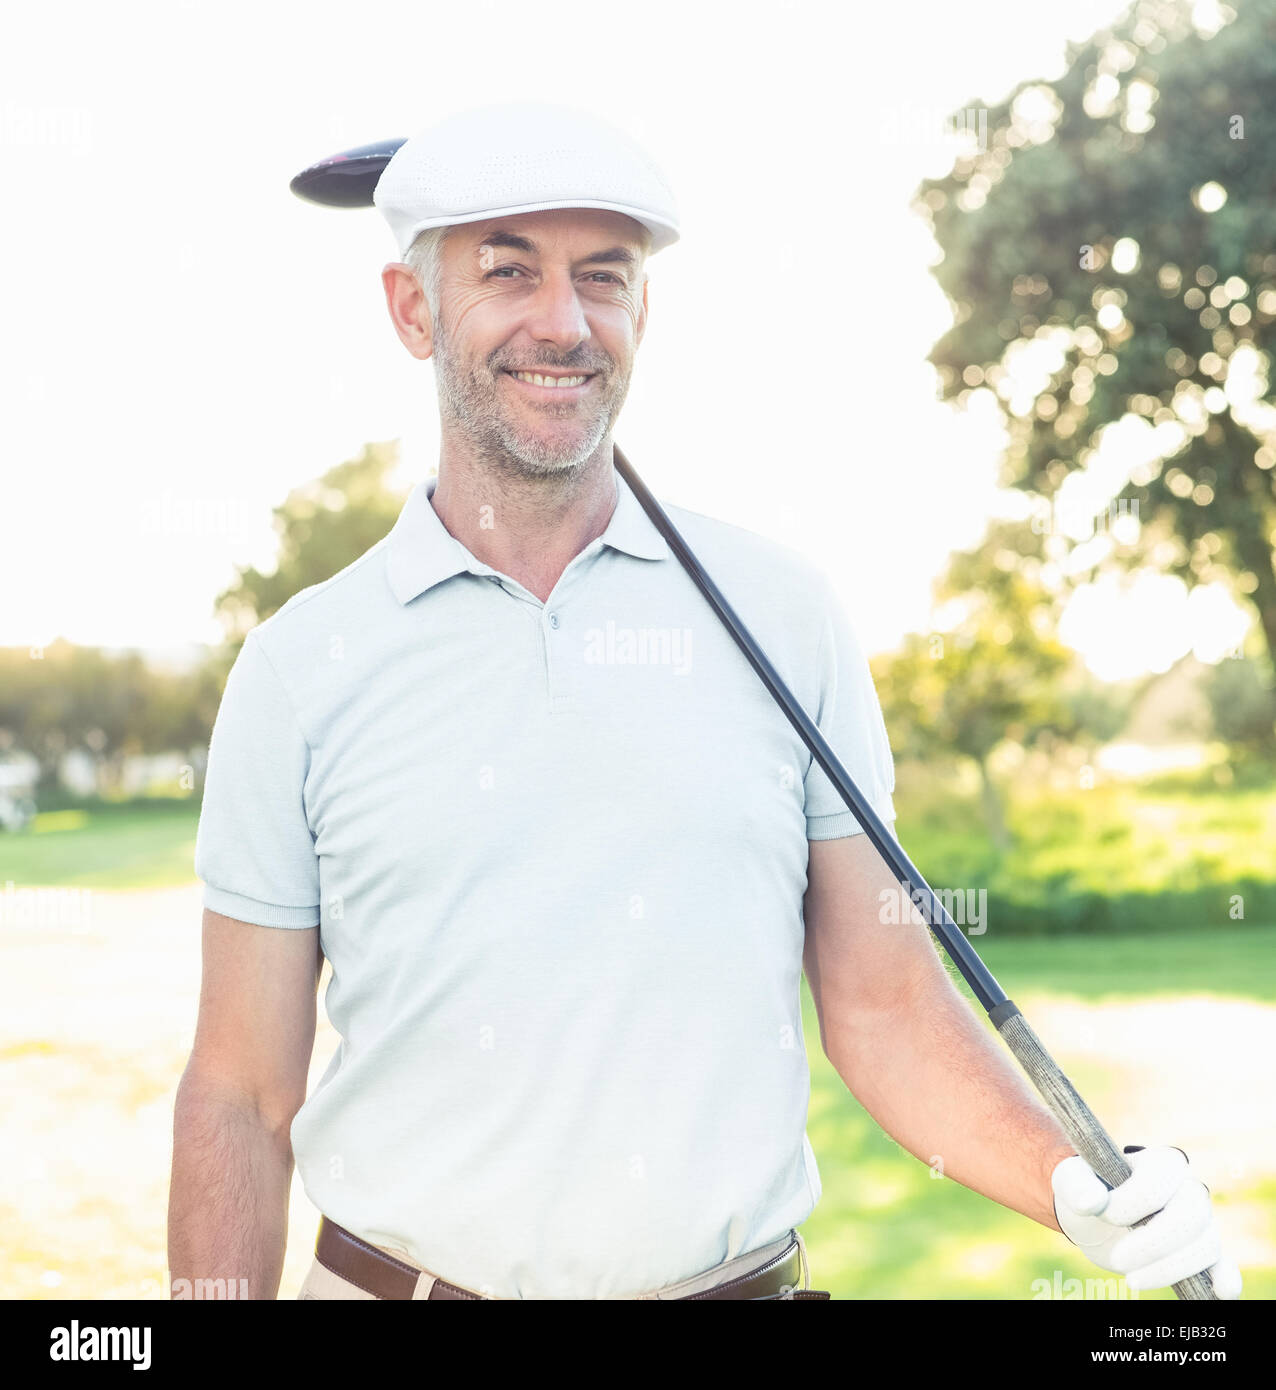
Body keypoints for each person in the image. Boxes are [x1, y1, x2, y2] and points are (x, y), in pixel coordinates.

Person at [167, 101, 1241, 1301]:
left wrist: (1070, 1183)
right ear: (412, 310)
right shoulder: (301, 667)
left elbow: (886, 1007)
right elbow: (241, 1094)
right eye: (507, 271)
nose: (562, 321)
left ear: (643, 311)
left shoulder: (784, 616)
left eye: (602, 276)